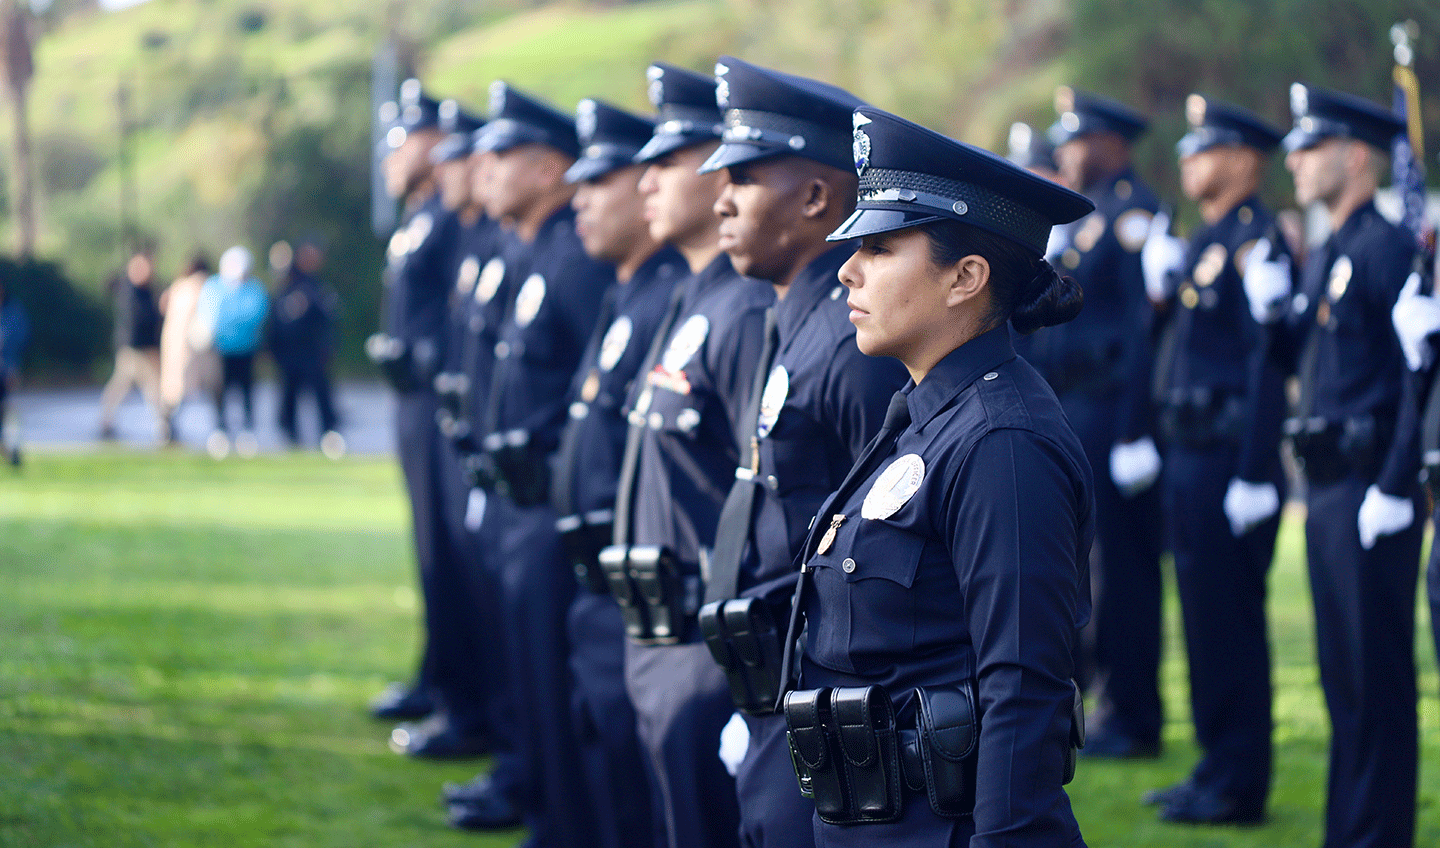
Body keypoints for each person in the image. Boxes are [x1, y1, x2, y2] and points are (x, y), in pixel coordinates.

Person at [780, 103, 1093, 847]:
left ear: (966, 278)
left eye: (882, 248)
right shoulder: (923, 416)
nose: (848, 269)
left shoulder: (1002, 440)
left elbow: (1024, 686)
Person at [694, 56, 907, 848]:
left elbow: (886, 549)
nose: (721, 198)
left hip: (826, 702)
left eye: (745, 178)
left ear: (817, 196)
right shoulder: (792, 319)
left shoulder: (852, 341)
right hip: (772, 686)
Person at [613, 60, 774, 848]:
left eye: (666, 162)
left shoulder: (742, 312)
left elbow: (767, 495)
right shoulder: (692, 297)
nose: (644, 181)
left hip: (705, 653)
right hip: (657, 635)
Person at [449, 80, 611, 845]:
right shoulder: (531, 250)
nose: (487, 163)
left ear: (550, 168)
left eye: (506, 152)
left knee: (552, 683)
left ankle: (558, 822)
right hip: (513, 498)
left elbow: (589, 385)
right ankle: (540, 807)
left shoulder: (575, 259)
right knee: (526, 671)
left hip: (549, 506)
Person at [1265, 83, 1422, 848]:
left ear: (1356, 155)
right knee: (1344, 684)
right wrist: (1273, 319)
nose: (1294, 160)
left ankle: (1378, 835)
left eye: (1311, 147)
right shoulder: (1333, 248)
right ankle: (1348, 832)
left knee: (1377, 682)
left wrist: (1397, 483)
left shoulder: (1388, 248)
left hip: (1371, 486)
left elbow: (1419, 375)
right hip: (1328, 486)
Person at [1139, 95, 1290, 825]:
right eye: (1189, 149)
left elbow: (1268, 361)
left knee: (1229, 622)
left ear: (1246, 161)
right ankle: (1213, 765)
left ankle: (1239, 783)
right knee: (1200, 621)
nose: (1190, 160)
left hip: (1229, 455)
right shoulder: (1205, 240)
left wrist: (1258, 469)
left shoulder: (1259, 238)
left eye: (1208, 149)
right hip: (1190, 450)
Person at [545, 96, 687, 848]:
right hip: (596, 581)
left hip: (642, 592)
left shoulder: (665, 293)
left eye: (600, 183)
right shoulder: (630, 291)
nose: (581, 200)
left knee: (641, 803)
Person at [1019, 88, 1165, 759]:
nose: (1069, 152)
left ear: (1113, 145)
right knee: (1082, 565)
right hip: (1077, 405)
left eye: (1080, 140)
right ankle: (1103, 701)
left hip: (1114, 409)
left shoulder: (1135, 214)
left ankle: (1132, 713)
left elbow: (1143, 333)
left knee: (1122, 571)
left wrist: (1137, 427)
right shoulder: (1089, 216)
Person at [366, 80, 489, 746]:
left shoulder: (450, 220)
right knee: (429, 547)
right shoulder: (420, 215)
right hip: (410, 398)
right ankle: (436, 674)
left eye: (401, 140)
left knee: (449, 551)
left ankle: (459, 698)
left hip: (435, 398)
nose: (391, 155)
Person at [270, 239, 342, 455]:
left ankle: (328, 432)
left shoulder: (315, 287)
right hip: (289, 353)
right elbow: (275, 323)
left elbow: (328, 320)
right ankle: (290, 434)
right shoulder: (284, 289)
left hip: (312, 352)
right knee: (289, 395)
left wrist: (329, 346)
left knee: (321, 394)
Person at [197, 245, 270, 458]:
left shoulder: (254, 289)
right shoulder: (213, 287)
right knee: (219, 391)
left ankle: (246, 431)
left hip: (247, 350)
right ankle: (220, 430)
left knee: (246, 392)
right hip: (219, 350)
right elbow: (210, 317)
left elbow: (257, 314)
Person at [98, 250, 165, 442]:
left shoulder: (147, 290)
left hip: (143, 347)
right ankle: (106, 422)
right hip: (135, 348)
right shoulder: (129, 291)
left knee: (138, 388)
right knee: (143, 387)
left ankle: (162, 424)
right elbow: (139, 319)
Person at [158, 253, 215, 444]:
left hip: (172, 342)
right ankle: (219, 426)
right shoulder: (202, 285)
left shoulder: (177, 286)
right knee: (205, 387)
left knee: (174, 389)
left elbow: (163, 306)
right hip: (193, 346)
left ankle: (167, 427)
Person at [0, 277, 29, 466]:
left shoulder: (13, 311)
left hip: (6, 369)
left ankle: (13, 449)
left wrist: (13, 368)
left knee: (9, 410)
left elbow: (20, 339)